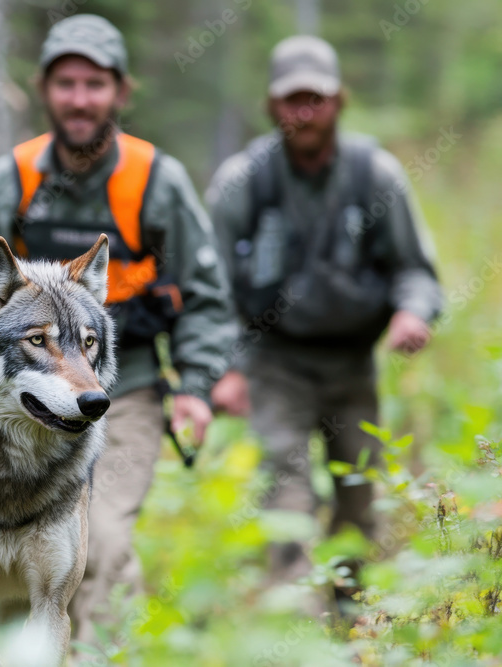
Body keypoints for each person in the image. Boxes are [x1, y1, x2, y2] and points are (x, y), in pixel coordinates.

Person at [0, 14, 236, 649]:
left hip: (123, 387)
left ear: (120, 92)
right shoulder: (16, 176)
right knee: (19, 555)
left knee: (99, 538)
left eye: (95, 84)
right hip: (19, 399)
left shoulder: (156, 180)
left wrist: (194, 386)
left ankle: (102, 652)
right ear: (45, 89)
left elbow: (208, 295)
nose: (80, 99)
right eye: (67, 83)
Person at [206, 35, 442, 598]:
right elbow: (209, 291)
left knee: (360, 503)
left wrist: (412, 312)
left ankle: (351, 619)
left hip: (352, 363)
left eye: (316, 98)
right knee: (285, 497)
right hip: (274, 361)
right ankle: (296, 631)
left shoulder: (375, 174)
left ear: (339, 101)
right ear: (272, 105)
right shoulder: (243, 181)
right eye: (292, 99)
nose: (304, 112)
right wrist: (226, 367)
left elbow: (415, 268)